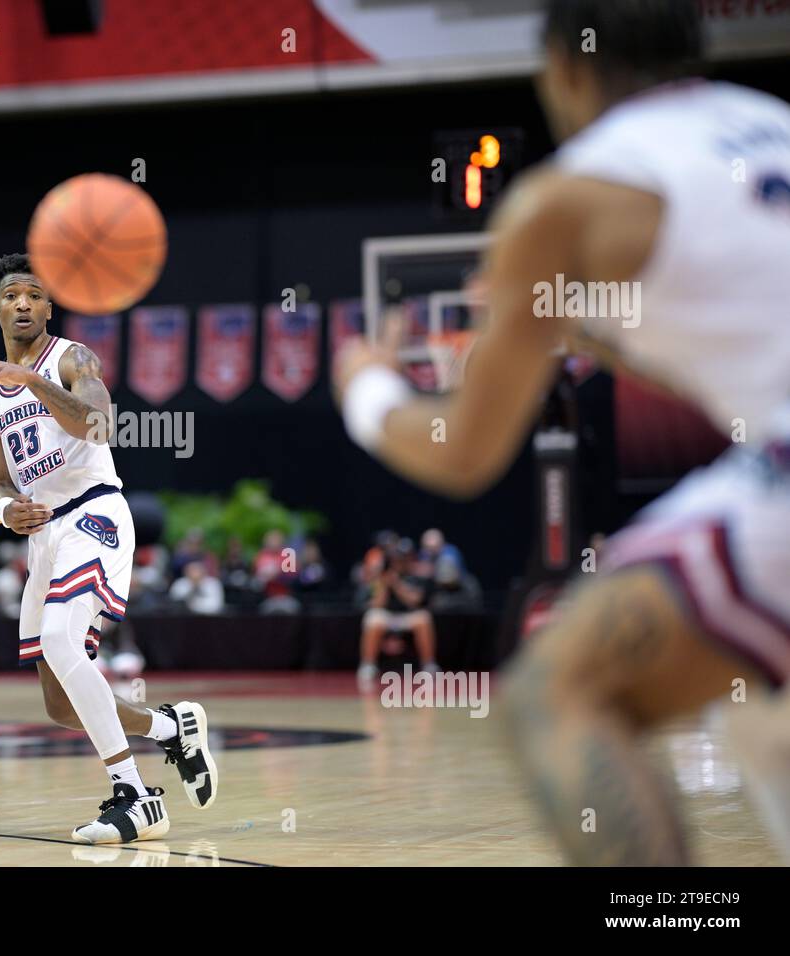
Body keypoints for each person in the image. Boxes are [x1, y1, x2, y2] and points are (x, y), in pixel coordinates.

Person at [335, 0, 790, 864]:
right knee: (766, 718)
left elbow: (467, 453)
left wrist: (369, 391)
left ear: (566, 68)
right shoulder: (770, 123)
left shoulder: (573, 191)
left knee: (557, 689)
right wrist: (599, 333)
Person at [0, 252, 218, 844]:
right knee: (60, 704)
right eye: (12, 295)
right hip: (43, 537)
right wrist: (7, 508)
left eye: (35, 294)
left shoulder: (70, 358)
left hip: (94, 511)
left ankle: (136, 797)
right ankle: (170, 727)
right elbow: (0, 480)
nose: (24, 304)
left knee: (62, 640)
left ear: (50, 307)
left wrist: (32, 379)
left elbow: (100, 425)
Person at [356, 540, 440, 691]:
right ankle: (368, 665)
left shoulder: (418, 575)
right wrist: (385, 584)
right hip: (387, 616)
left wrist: (396, 584)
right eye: (398, 558)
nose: (401, 561)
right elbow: (376, 604)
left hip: (408, 616)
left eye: (405, 558)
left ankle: (428, 664)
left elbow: (415, 601)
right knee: (373, 618)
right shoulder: (381, 576)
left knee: (423, 618)